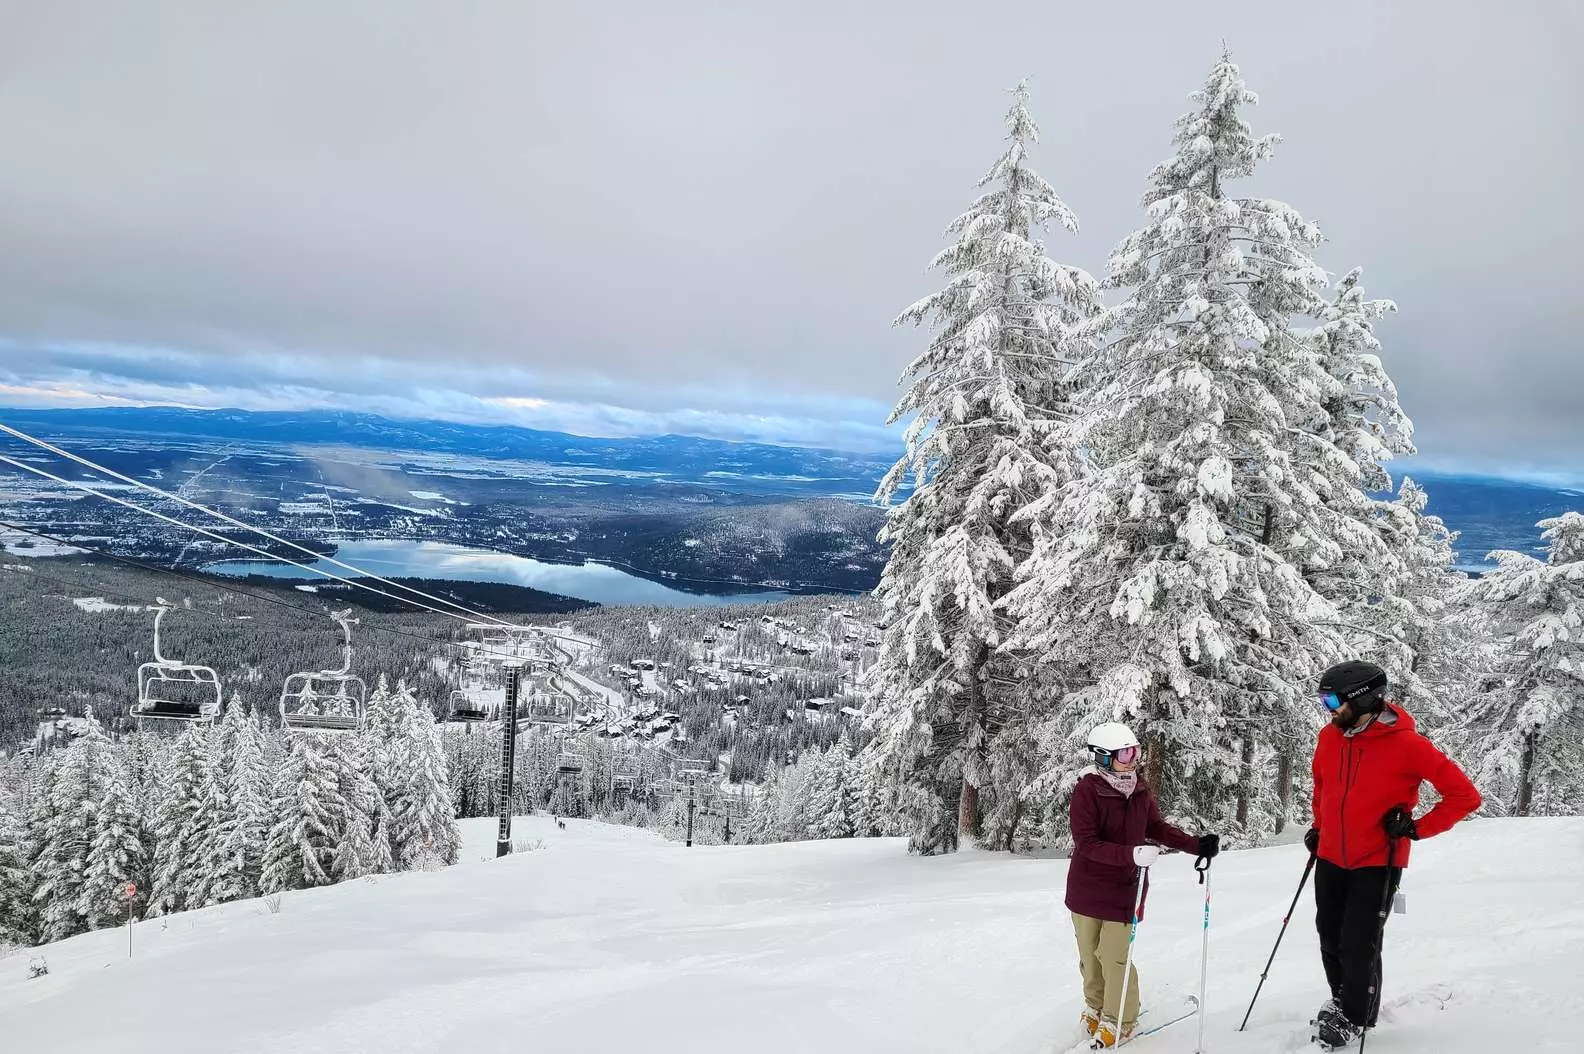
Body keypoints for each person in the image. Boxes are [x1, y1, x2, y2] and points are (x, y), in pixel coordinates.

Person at [1307, 660, 1482, 1049]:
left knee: (1359, 942)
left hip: (1378, 859)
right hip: (1331, 855)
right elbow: (1322, 787)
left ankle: (1356, 1017)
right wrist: (1318, 828)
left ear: (1363, 699)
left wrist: (1416, 828)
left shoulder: (1408, 746)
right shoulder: (1329, 737)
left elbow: (1465, 796)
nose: (1328, 708)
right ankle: (1342, 999)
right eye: (1324, 700)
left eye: (1333, 700)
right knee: (1329, 936)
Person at [1066, 721, 1219, 1049]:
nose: (1134, 758)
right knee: (1089, 957)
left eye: (1136, 751)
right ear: (1104, 757)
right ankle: (1095, 1006)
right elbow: (1086, 843)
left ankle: (1119, 1018)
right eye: (1126, 752)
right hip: (1087, 888)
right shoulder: (1087, 791)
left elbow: (1156, 827)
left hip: (1125, 889)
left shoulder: (1138, 790)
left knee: (1114, 956)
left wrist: (1196, 844)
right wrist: (1131, 853)